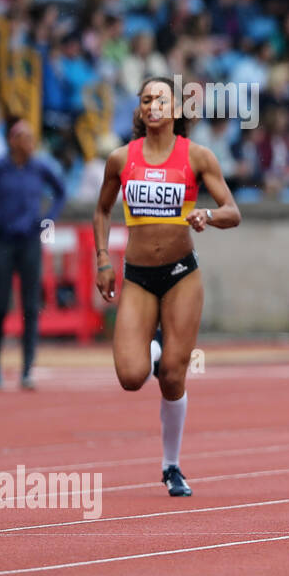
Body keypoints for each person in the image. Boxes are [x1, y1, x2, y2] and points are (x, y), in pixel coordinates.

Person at [93, 77, 241, 496]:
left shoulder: (197, 157)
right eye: (146, 99)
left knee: (174, 377)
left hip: (181, 276)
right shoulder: (121, 159)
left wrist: (207, 217)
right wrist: (102, 258)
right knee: (130, 375)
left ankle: (171, 465)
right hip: (138, 277)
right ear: (140, 111)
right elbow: (102, 210)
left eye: (162, 98)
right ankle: (155, 347)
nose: (154, 105)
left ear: (175, 109)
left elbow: (233, 211)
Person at [0, 119, 67, 389]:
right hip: (3, 242)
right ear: (14, 141)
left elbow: (60, 193)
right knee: (0, 306)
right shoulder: (2, 168)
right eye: (25, 139)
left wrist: (47, 219)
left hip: (29, 241)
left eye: (32, 139)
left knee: (30, 306)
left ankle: (27, 369)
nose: (30, 145)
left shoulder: (40, 168)